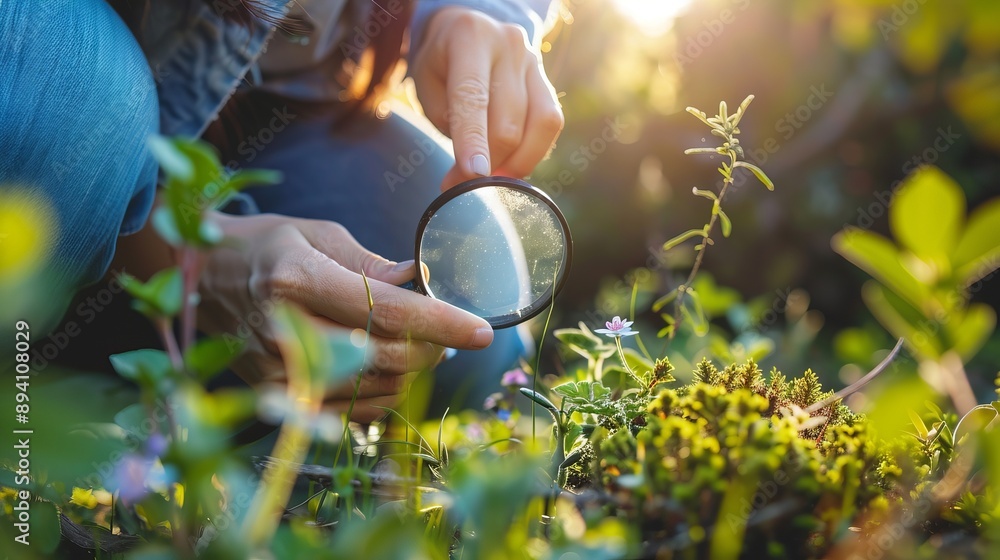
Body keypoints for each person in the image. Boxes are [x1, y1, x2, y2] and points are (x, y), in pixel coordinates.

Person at [0, 0, 563, 422]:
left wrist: (464, 13)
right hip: (64, 66)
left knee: (470, 343)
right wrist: (193, 256)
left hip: (273, 111)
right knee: (71, 110)